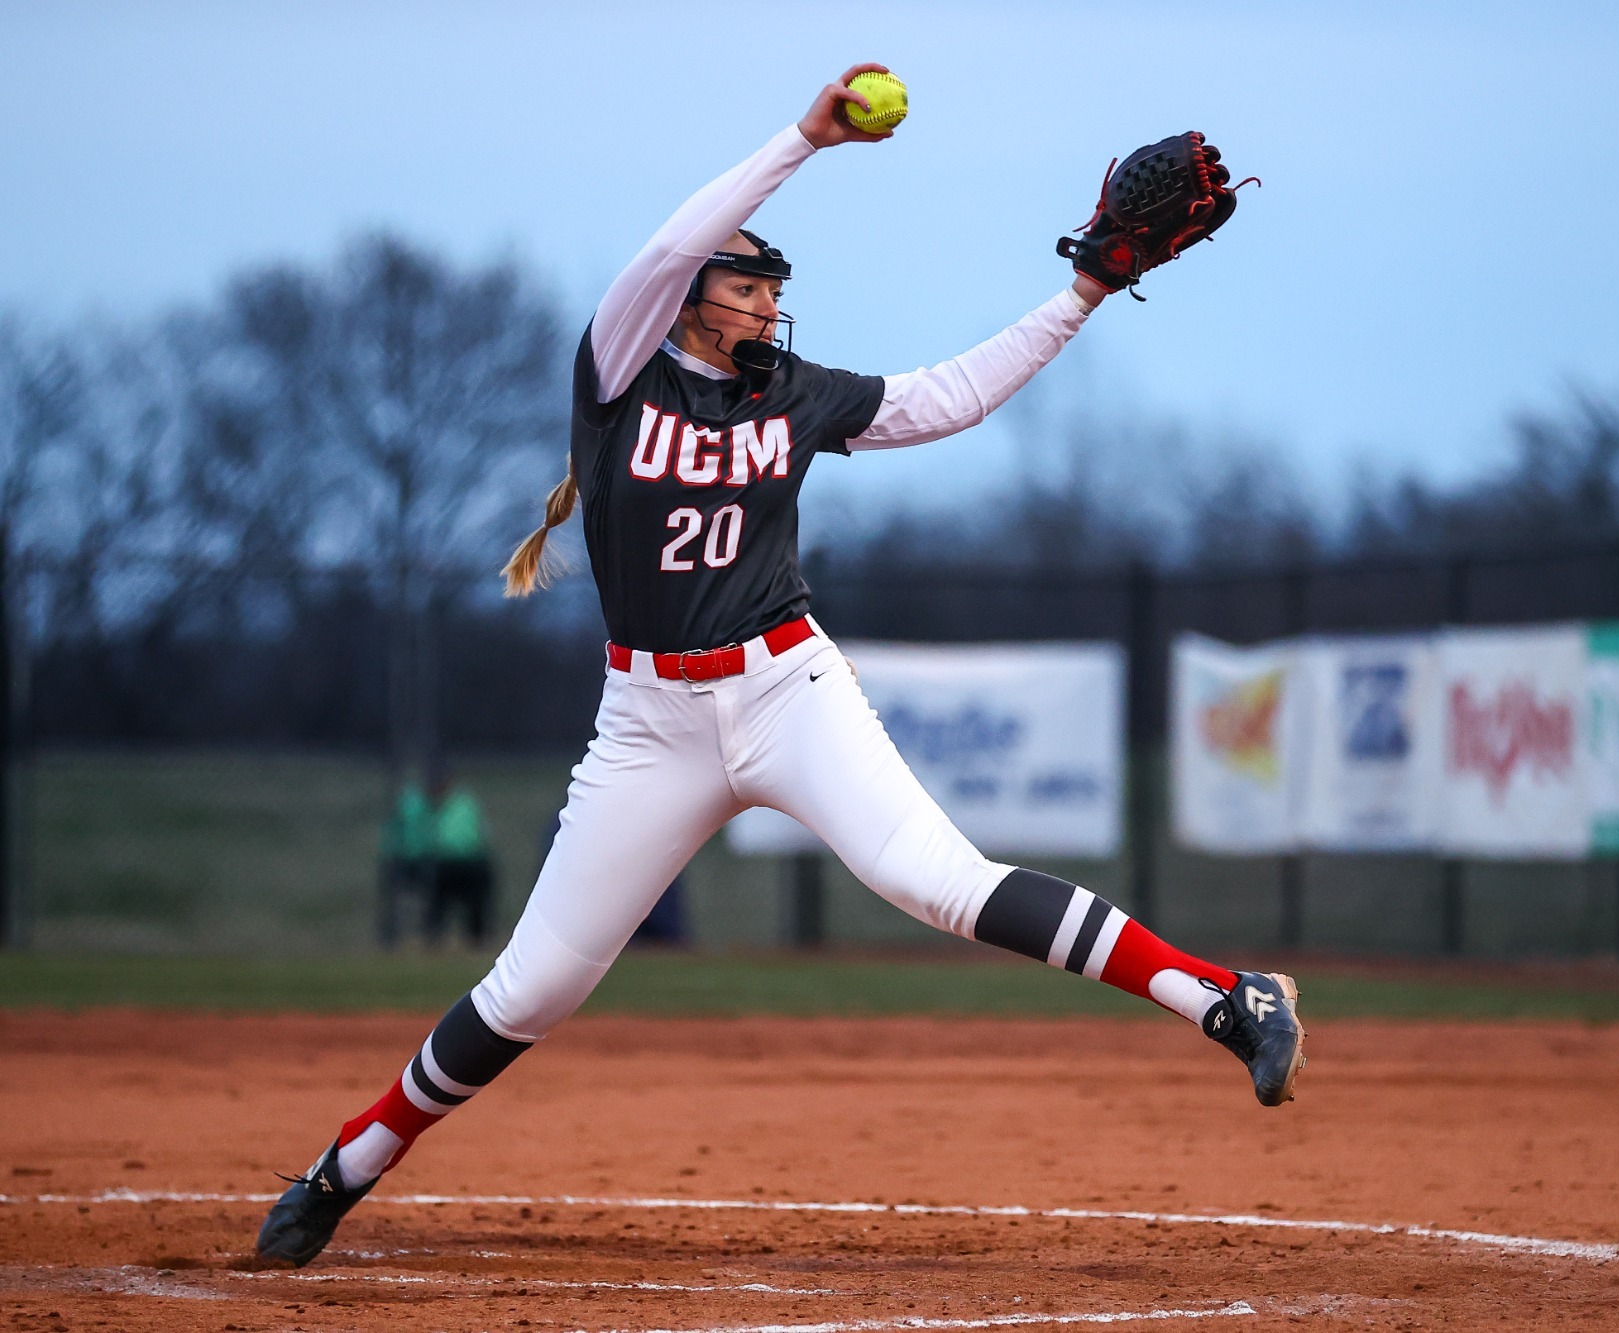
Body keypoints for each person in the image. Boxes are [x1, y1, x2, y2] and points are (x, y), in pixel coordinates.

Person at [255, 66, 1304, 1267]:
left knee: (944, 884)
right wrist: (803, 138)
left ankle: (1228, 999)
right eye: (744, 282)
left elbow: (950, 397)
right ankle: (342, 1170)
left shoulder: (795, 396)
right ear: (690, 296)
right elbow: (666, 245)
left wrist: (1085, 292)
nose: (764, 303)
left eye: (769, 286)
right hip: (648, 722)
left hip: (784, 685)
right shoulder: (616, 372)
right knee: (533, 990)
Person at [424, 769, 495, 948]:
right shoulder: (436, 806)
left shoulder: (461, 803)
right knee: (438, 903)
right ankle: (435, 939)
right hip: (447, 861)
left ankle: (475, 939)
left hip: (469, 859)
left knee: (475, 902)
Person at [374, 780, 432, 949]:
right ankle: (393, 936)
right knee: (394, 899)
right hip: (403, 859)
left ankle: (427, 936)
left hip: (419, 858)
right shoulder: (408, 803)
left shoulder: (421, 804)